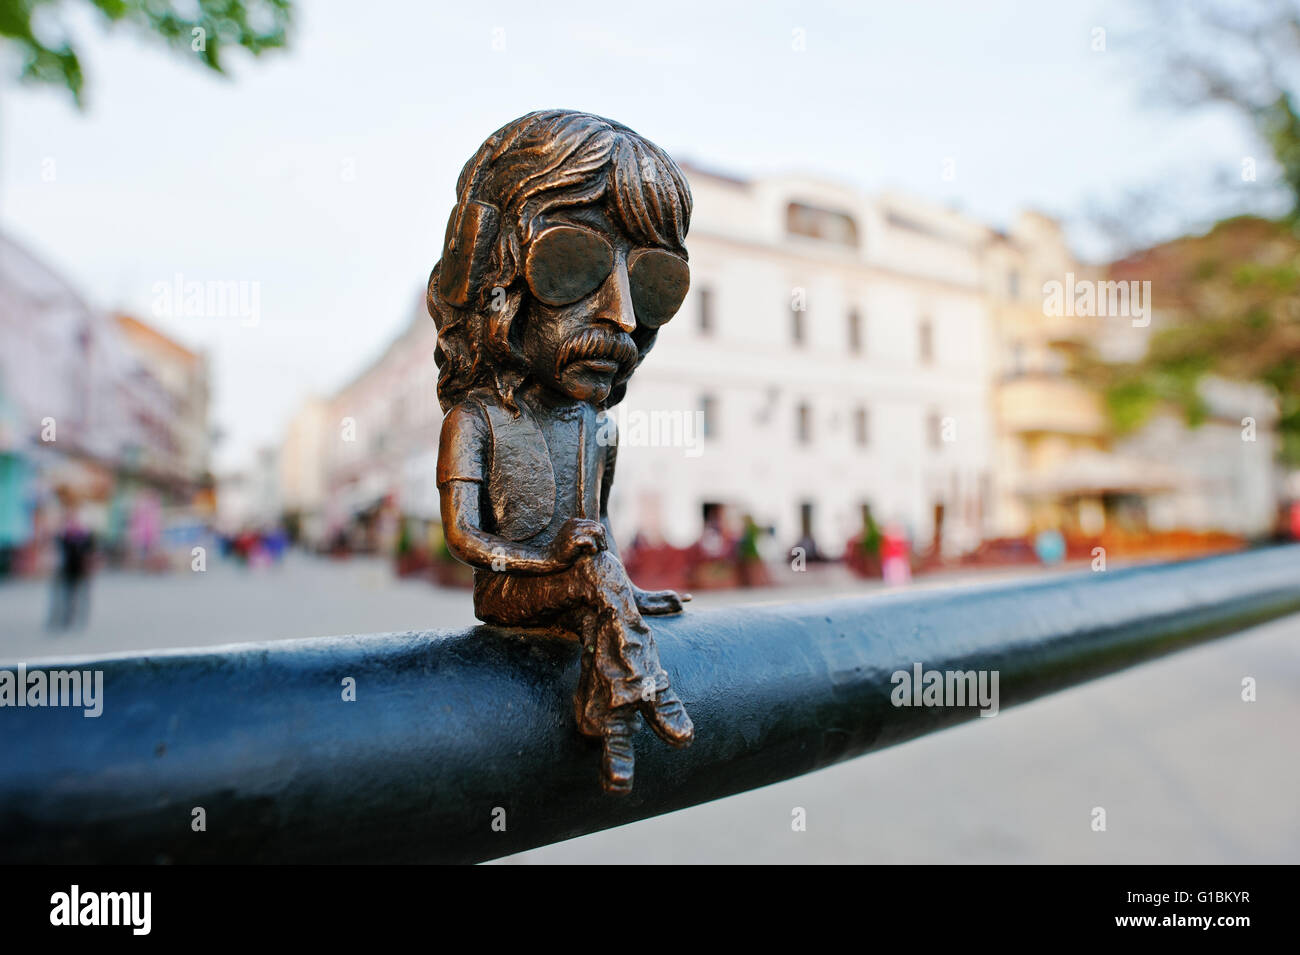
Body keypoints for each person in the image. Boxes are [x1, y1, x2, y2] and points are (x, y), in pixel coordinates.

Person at [431, 111, 695, 793]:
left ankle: (609, 714)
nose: (624, 314)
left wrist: (618, 582)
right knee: (599, 582)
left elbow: (596, 534)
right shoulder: (476, 417)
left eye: (655, 284)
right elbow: (466, 536)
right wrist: (550, 561)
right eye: (572, 264)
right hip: (514, 590)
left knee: (601, 580)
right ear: (492, 277)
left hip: (582, 585)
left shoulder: (596, 428)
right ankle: (633, 699)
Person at [48, 492, 94, 631]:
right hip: (66, 566)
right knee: (64, 593)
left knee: (78, 593)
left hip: (79, 566)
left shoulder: (84, 531)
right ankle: (63, 618)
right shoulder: (63, 530)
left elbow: (90, 549)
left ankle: (76, 617)